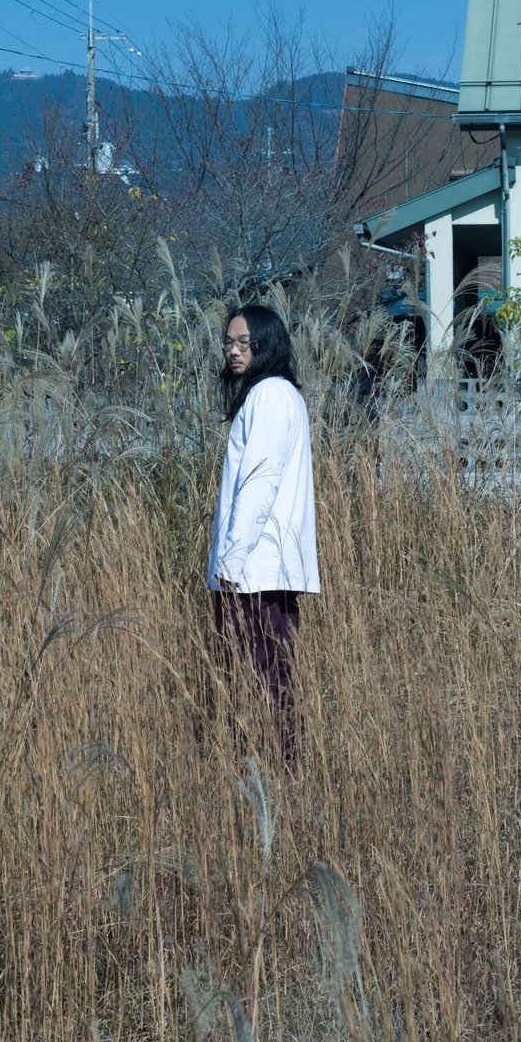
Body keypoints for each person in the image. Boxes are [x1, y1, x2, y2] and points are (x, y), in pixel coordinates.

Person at [208, 302, 319, 765]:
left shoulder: (269, 397)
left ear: (265, 343)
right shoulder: (278, 394)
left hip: (254, 572)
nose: (234, 351)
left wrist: (230, 562)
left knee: (258, 679)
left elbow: (258, 483)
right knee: (267, 677)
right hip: (264, 569)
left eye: (243, 342)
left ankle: (268, 773)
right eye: (229, 342)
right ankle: (271, 772)